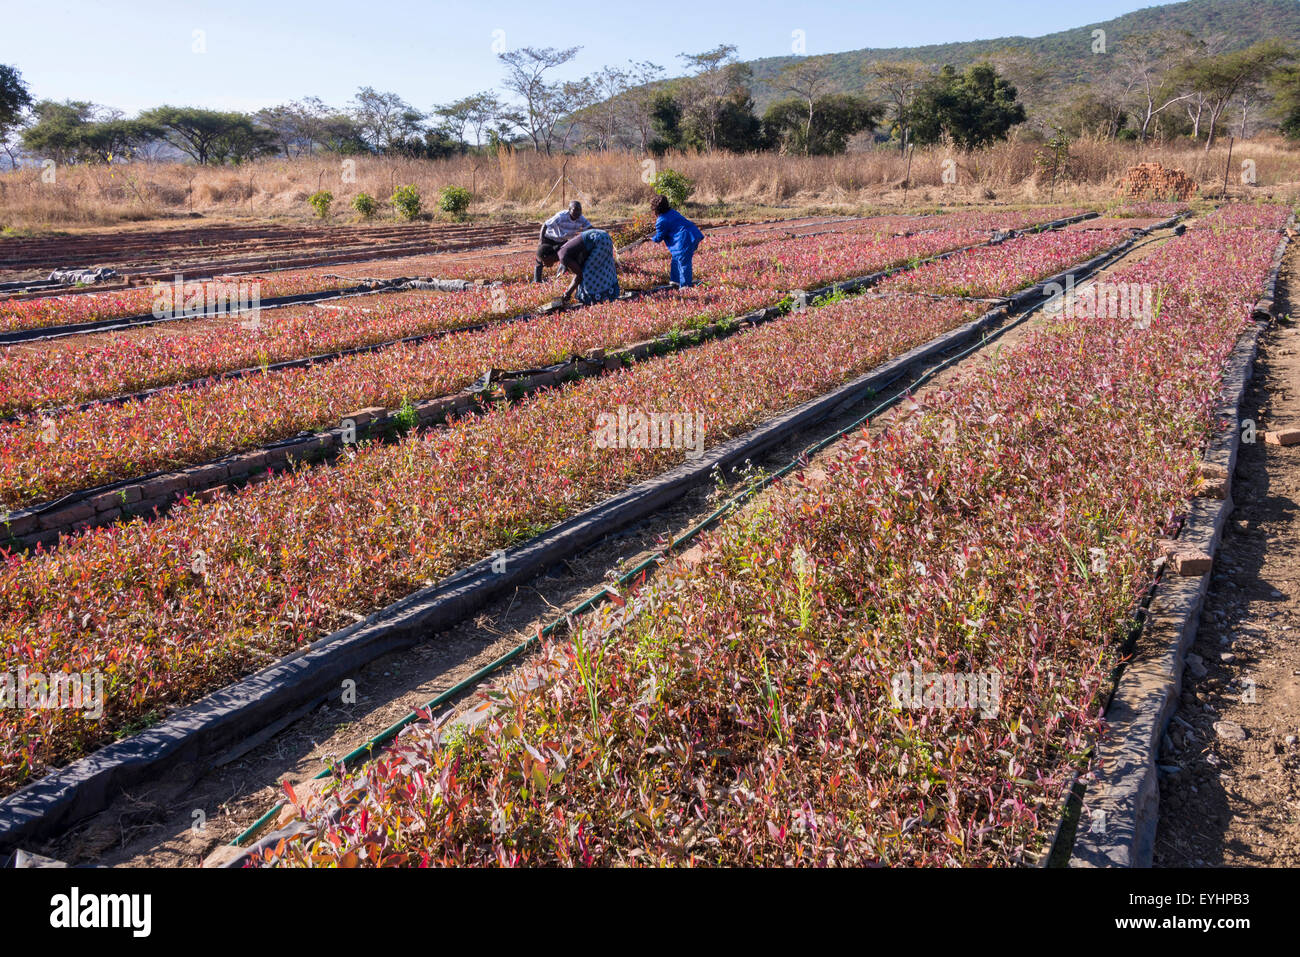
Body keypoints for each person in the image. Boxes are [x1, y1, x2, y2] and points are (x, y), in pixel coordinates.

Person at [649, 194, 704, 287]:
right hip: (693, 234)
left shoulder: (661, 220)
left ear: (656, 209)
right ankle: (675, 281)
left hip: (685, 239)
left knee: (684, 262)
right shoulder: (672, 212)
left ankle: (685, 287)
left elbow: (659, 237)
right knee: (676, 259)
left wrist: (650, 239)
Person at [558, 228, 620, 305]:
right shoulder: (562, 253)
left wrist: (568, 293)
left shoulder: (563, 257)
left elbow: (579, 275)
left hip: (599, 241)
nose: (544, 264)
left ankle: (595, 300)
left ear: (546, 257)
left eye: (544, 262)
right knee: (605, 268)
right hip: (604, 236)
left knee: (588, 273)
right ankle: (609, 295)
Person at [535, 201, 593, 283]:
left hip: (563, 240)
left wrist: (600, 233)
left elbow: (590, 228)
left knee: (565, 256)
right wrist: (541, 241)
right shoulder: (561, 216)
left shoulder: (581, 218)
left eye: (579, 210)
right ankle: (537, 280)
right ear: (569, 210)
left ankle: (559, 277)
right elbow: (545, 225)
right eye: (575, 210)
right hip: (550, 238)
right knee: (541, 257)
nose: (577, 213)